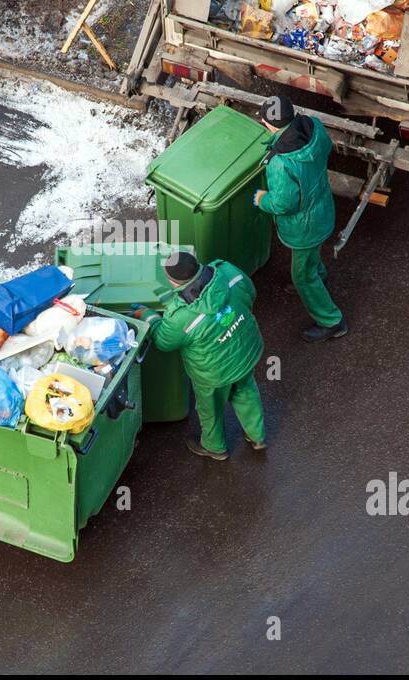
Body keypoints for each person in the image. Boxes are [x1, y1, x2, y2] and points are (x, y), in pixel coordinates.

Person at [132, 250, 265, 461]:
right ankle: (257, 436)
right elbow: (250, 292)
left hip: (213, 371)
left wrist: (148, 316)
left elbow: (164, 342)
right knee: (246, 390)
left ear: (173, 282)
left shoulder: (182, 315)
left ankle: (214, 447)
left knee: (210, 408)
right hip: (245, 351)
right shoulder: (229, 272)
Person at [252, 96, 349, 342]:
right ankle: (320, 275)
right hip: (322, 209)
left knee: (302, 276)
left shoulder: (280, 163)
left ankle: (331, 321)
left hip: (303, 227)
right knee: (310, 259)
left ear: (271, 125)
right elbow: (326, 148)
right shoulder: (313, 126)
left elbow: (284, 204)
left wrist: (261, 199)